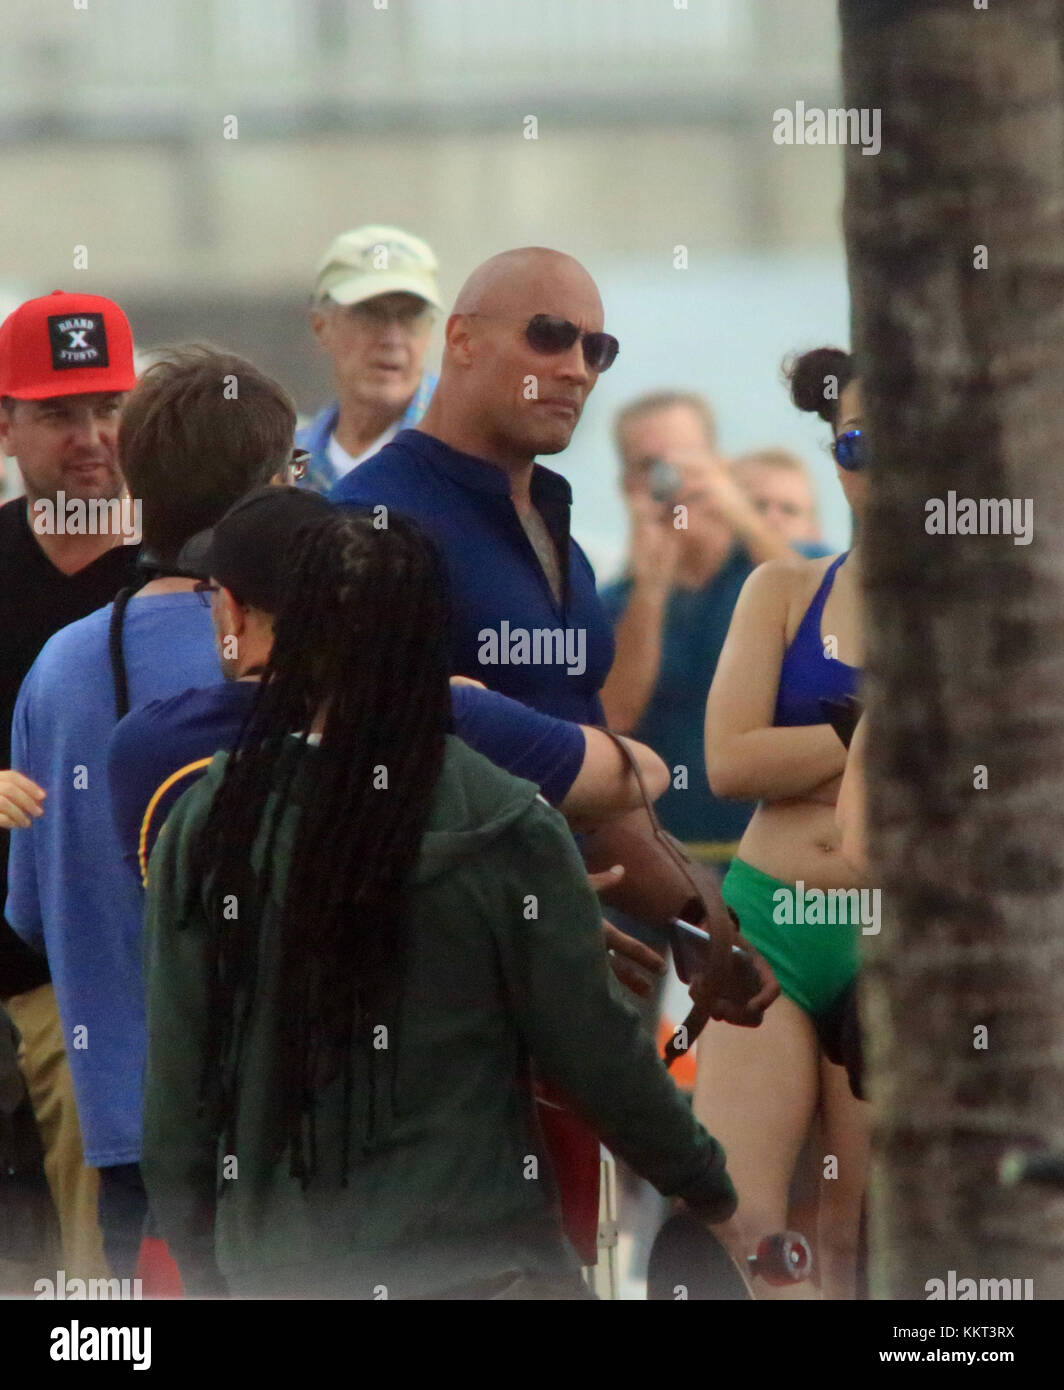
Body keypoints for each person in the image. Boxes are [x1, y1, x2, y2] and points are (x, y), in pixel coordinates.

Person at [140, 508, 741, 1299]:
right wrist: (706, 1183)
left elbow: (180, 1094)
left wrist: (212, 1266)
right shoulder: (508, 822)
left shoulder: (209, 823)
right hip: (485, 1266)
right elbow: (595, 1052)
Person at [4, 345, 298, 1279]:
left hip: (130, 1129)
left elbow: (31, 916)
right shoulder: (317, 652)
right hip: (303, 1122)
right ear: (269, 493)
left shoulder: (58, 668)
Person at [693, 347, 870, 1300]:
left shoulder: (989, 616)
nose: (875, 467)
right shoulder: (785, 591)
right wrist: (880, 732)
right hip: (772, 919)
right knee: (747, 1215)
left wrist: (816, 741)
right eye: (855, 445)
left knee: (851, 1231)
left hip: (896, 935)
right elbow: (728, 762)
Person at [0, 290, 141, 1282]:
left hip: (118, 980)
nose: (90, 438)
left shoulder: (188, 572)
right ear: (4, 424)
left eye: (108, 407)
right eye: (57, 414)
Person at [331, 246, 616, 726]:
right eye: (548, 335)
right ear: (462, 339)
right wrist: (615, 773)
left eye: (596, 350)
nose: (576, 370)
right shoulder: (369, 519)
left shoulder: (548, 517)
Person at [599, 392, 791, 871]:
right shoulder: (617, 601)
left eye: (684, 461)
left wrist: (739, 511)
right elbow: (613, 715)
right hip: (664, 866)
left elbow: (822, 619)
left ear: (719, 464)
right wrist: (651, 586)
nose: (670, 480)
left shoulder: (768, 570)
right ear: (627, 486)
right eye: (649, 466)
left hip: (775, 860)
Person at [296, 225, 441, 493]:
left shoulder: (475, 453)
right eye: (370, 314)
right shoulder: (287, 465)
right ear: (321, 327)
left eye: (411, 315)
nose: (392, 338)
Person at [730, 446, 834, 558]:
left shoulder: (826, 564)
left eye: (789, 510)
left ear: (814, 532)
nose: (773, 518)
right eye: (759, 506)